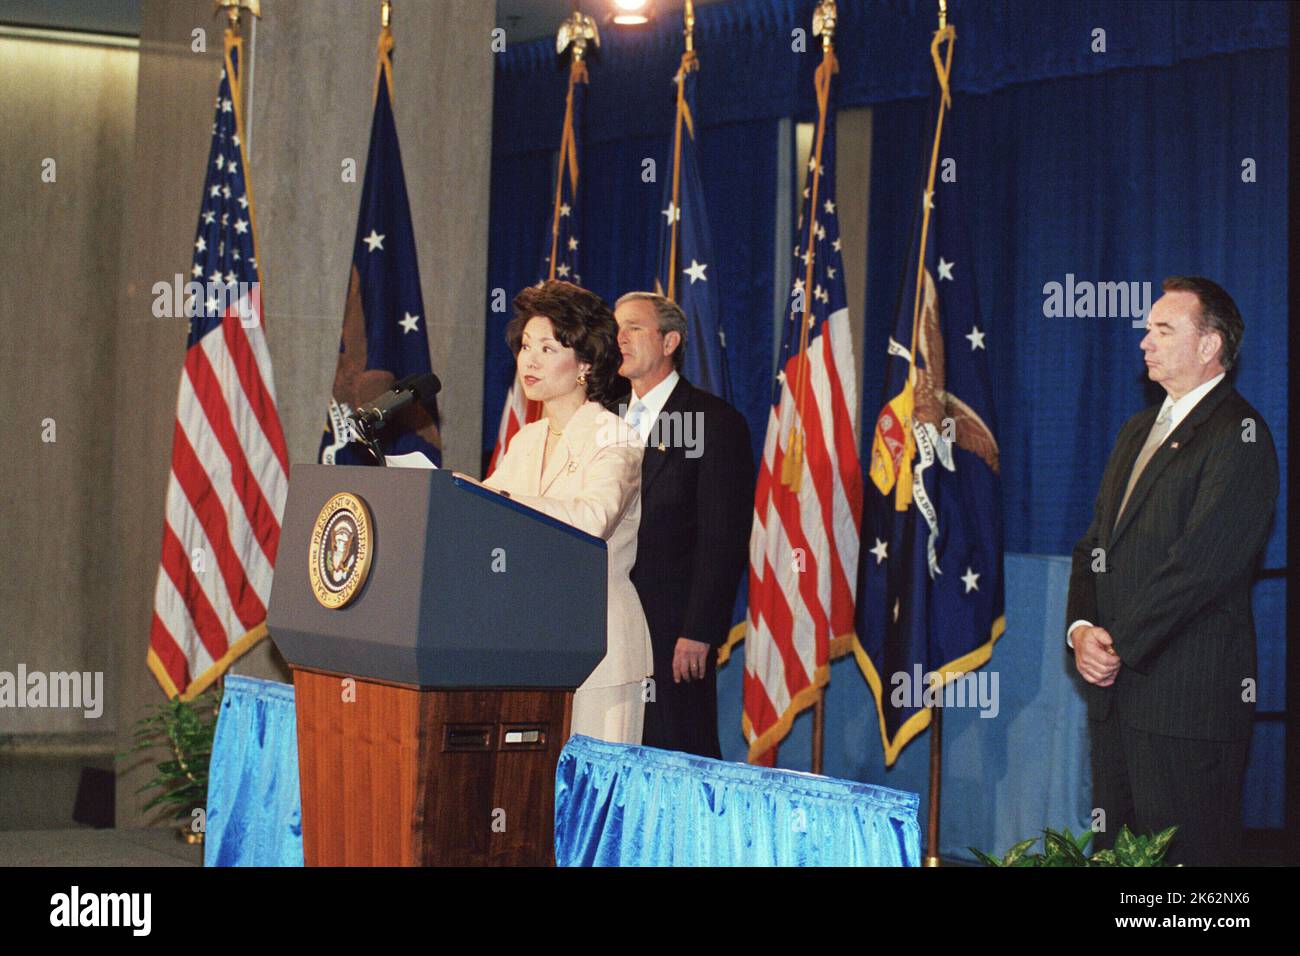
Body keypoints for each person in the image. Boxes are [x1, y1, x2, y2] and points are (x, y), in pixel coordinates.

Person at [1066, 276, 1278, 866]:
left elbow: (1200, 568)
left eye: (1163, 329)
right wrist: (1081, 631)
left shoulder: (1240, 434)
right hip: (1117, 701)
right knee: (1117, 859)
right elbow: (1093, 547)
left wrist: (1115, 644)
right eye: (1147, 329)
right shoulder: (1137, 430)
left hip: (1187, 707)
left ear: (1209, 345)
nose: (1145, 342)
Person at [478, 280, 652, 745]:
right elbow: (483, 517)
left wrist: (501, 502)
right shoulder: (526, 439)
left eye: (547, 348)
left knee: (590, 785)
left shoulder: (614, 436)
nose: (529, 361)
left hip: (600, 648)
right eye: (526, 346)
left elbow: (593, 520)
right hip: (529, 643)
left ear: (585, 365)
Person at [610, 292, 754, 758]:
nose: (620, 338)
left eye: (634, 327)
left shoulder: (712, 422)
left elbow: (722, 538)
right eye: (616, 328)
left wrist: (699, 629)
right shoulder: (604, 418)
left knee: (674, 750)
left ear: (670, 341)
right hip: (607, 621)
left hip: (671, 629)